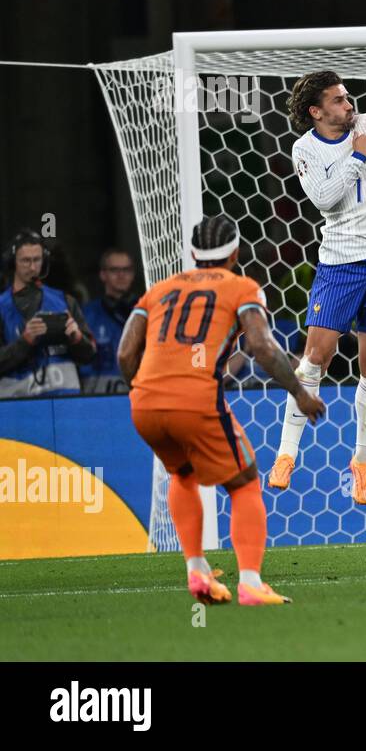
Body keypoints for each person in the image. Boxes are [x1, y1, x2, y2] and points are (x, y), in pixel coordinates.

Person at [118, 216, 325, 605]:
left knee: (181, 473)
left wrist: (143, 390)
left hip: (144, 402)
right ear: (235, 252)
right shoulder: (242, 287)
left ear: (194, 254)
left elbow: (125, 352)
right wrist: (299, 392)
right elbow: (262, 347)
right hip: (195, 399)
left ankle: (197, 573)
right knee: (244, 481)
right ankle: (250, 582)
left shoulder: (159, 290)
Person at [269, 71, 366, 504]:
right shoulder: (305, 149)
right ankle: (286, 454)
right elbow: (323, 199)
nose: (348, 105)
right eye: (337, 101)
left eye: (347, 97)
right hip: (338, 264)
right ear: (317, 112)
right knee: (316, 356)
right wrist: (356, 159)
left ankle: (361, 463)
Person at [0, 230, 95, 398]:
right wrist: (25, 341)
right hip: (19, 409)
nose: (32, 267)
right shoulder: (2, 307)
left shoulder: (65, 301)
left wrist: (77, 338)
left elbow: (90, 354)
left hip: (64, 403)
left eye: (37, 260)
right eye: (25, 261)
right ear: (13, 262)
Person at [79, 246, 140, 395]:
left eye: (126, 270)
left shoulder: (147, 312)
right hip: (97, 399)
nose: (121, 275)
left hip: (138, 394)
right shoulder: (87, 314)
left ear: (133, 274)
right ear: (103, 275)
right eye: (114, 270)